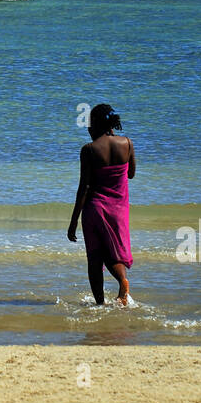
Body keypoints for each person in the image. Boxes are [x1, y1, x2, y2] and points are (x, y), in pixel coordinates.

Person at [67, 104, 135, 306]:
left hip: (95, 208)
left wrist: (73, 222)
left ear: (97, 124)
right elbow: (130, 174)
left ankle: (99, 304)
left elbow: (84, 188)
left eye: (90, 125)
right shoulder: (127, 143)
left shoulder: (89, 150)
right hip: (119, 209)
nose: (88, 129)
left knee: (95, 259)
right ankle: (122, 281)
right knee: (114, 252)